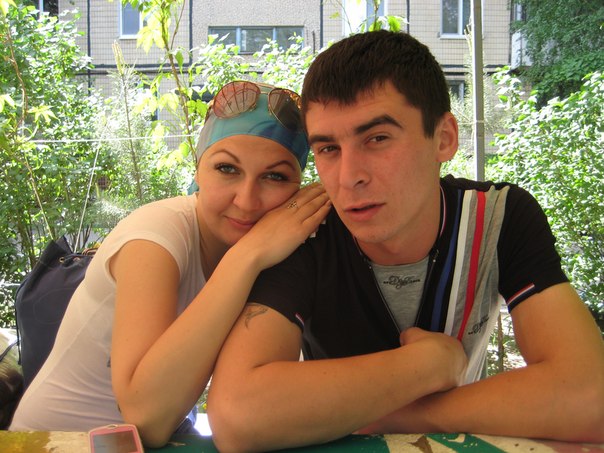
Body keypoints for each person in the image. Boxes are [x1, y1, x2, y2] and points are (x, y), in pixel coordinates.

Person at [207, 30, 604, 452]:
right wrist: (427, 364)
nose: (349, 177)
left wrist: (399, 413)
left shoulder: (498, 218)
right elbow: (237, 416)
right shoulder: (305, 232)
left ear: (444, 138)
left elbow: (590, 395)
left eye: (377, 139)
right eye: (328, 149)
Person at [8, 81, 331, 448]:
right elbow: (145, 417)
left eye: (275, 176)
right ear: (198, 169)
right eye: (227, 169)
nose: (246, 200)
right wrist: (248, 256)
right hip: (54, 441)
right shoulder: (156, 235)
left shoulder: (277, 252)